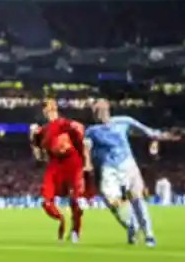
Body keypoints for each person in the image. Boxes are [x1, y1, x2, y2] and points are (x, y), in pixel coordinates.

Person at [84, 100, 174, 247]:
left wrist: (159, 136)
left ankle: (149, 235)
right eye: (95, 111)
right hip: (109, 169)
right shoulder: (92, 131)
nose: (97, 114)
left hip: (128, 164)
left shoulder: (123, 122)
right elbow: (86, 147)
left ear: (107, 109)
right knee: (112, 202)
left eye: (99, 110)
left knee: (137, 198)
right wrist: (87, 163)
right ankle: (131, 225)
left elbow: (147, 131)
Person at [30, 98, 86, 243]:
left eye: (49, 106)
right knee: (46, 201)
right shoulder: (42, 131)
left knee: (75, 200)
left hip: (71, 162)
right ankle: (62, 221)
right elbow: (39, 157)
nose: (47, 110)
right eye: (45, 108)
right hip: (55, 163)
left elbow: (80, 129)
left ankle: (75, 231)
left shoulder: (64, 123)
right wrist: (32, 139)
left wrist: (84, 157)